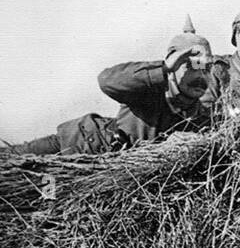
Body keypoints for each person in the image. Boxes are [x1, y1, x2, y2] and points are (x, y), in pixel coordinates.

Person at [5, 19, 217, 156]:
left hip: (104, 173)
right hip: (77, 144)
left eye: (206, 69)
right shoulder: (150, 87)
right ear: (173, 66)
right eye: (191, 66)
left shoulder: (200, 118)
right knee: (10, 160)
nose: (200, 76)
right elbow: (107, 81)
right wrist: (163, 69)